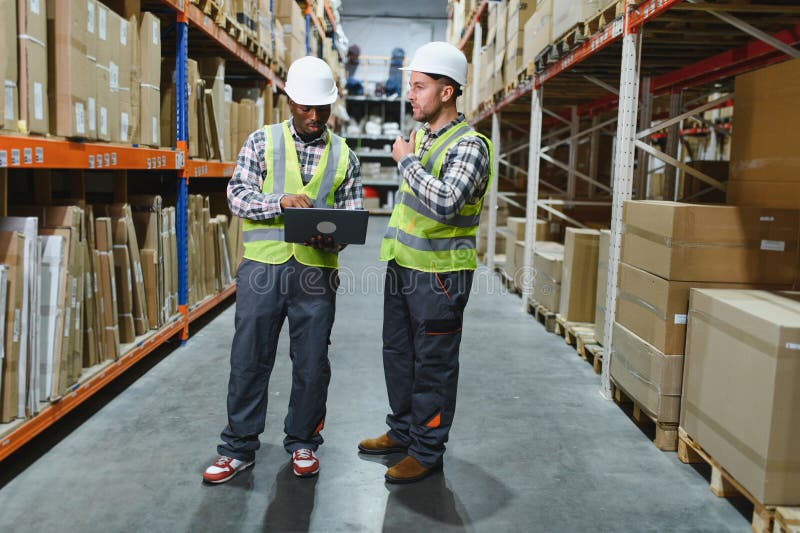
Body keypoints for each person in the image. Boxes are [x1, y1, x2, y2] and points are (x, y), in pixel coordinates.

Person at [203, 56, 363, 483]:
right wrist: (279, 202)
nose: (314, 117)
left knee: (312, 362)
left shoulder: (344, 154)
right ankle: (237, 448)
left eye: (322, 108)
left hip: (316, 273)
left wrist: (335, 236)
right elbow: (236, 196)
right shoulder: (261, 142)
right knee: (249, 359)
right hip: (262, 269)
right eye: (305, 107)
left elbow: (353, 215)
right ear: (290, 101)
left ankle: (305, 442)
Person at [358, 42, 493, 483]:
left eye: (419, 87)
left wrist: (407, 162)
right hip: (404, 266)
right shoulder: (423, 137)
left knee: (432, 363)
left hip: (440, 276)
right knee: (398, 354)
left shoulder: (469, 146)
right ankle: (402, 431)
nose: (410, 95)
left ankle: (427, 449)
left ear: (448, 92)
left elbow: (449, 203)